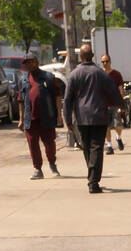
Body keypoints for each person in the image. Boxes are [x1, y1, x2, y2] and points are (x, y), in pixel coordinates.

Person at [62, 41, 122, 194]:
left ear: (81, 56)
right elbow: (113, 92)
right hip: (99, 116)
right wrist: (122, 105)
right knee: (96, 148)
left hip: (82, 118)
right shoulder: (100, 73)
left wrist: (67, 119)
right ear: (92, 56)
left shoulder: (74, 74)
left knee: (88, 148)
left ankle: (92, 177)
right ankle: (93, 181)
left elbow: (67, 99)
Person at [18, 52, 61, 179]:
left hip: (46, 117)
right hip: (29, 119)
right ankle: (38, 169)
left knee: (49, 143)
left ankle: (52, 165)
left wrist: (59, 114)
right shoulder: (23, 80)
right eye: (27, 63)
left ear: (37, 62)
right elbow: (20, 100)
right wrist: (20, 119)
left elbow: (57, 95)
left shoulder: (48, 77)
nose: (30, 64)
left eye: (32, 61)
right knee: (33, 145)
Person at [100, 52, 125, 153]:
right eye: (103, 62)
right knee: (106, 126)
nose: (105, 63)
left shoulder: (116, 74)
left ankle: (118, 138)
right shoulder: (99, 74)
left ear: (110, 62)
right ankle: (109, 146)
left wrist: (121, 103)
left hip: (115, 104)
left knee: (117, 125)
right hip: (103, 105)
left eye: (106, 61)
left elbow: (121, 89)